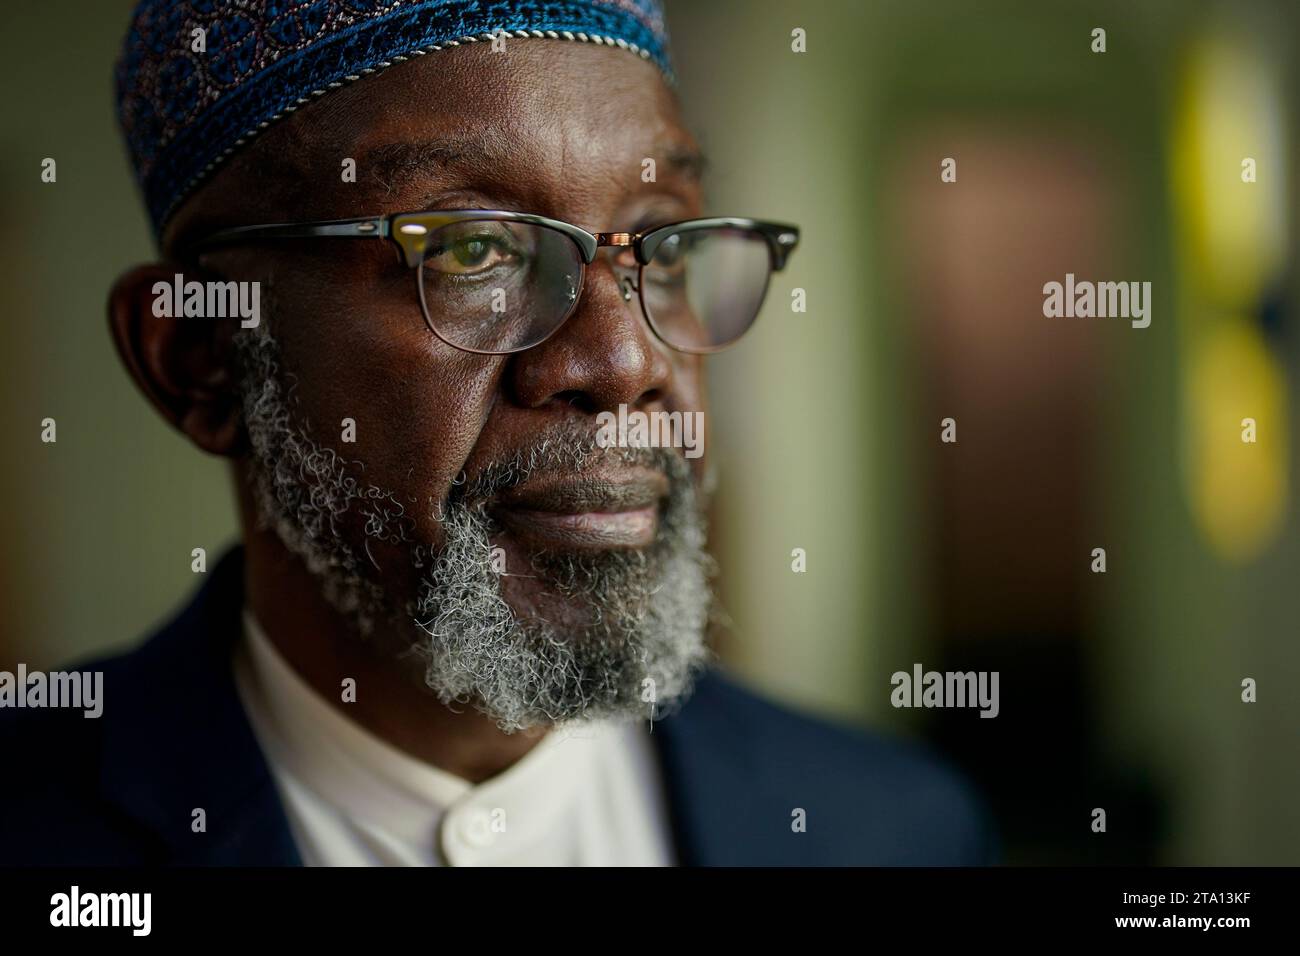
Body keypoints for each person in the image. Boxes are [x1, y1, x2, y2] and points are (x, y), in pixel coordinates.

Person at [0, 0, 993, 866]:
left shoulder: (891, 827)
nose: (624, 362)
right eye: (473, 248)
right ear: (199, 356)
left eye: (662, 240)